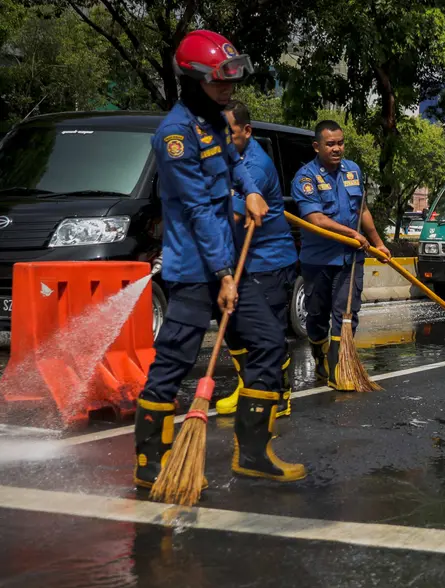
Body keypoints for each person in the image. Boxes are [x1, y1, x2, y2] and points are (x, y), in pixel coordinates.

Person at [134, 29, 305, 489]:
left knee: (269, 345)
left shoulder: (213, 122)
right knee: (173, 361)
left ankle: (252, 453)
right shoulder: (174, 136)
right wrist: (225, 274)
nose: (228, 89)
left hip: (229, 263)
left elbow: (235, 163)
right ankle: (151, 466)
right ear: (192, 81)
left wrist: (250, 190)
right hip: (195, 270)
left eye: (231, 82)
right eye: (218, 82)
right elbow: (197, 212)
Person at [214, 100, 299, 420]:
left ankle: (279, 395)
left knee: (269, 333)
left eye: (229, 133)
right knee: (234, 329)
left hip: (268, 262)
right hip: (238, 263)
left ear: (247, 131)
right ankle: (247, 386)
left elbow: (228, 218)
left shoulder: (255, 167)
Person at [291, 120, 390, 387]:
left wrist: (378, 243)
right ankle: (320, 356)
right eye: (330, 144)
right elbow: (316, 219)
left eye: (340, 143)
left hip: (351, 259)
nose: (337, 148)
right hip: (318, 261)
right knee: (316, 317)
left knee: (346, 314)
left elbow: (362, 211)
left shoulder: (353, 171)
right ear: (317, 146)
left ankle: (338, 369)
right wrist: (352, 235)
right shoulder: (306, 178)